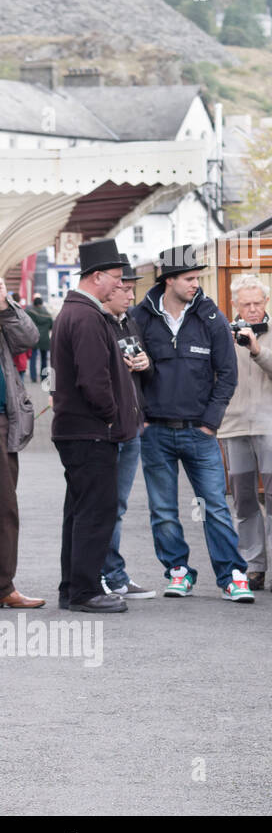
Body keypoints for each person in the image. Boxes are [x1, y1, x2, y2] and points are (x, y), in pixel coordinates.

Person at [130, 245, 252, 603]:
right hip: (155, 431)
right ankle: (178, 572)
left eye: (197, 278)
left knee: (215, 505)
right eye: (189, 278)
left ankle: (232, 576)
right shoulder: (141, 317)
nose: (196, 284)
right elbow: (131, 374)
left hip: (200, 432)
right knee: (163, 509)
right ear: (169, 280)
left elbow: (228, 374)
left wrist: (210, 423)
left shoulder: (210, 316)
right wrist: (142, 420)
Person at [50, 240, 142, 614]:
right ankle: (85, 592)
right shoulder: (87, 317)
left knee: (79, 511)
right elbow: (94, 380)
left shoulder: (75, 313)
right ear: (97, 276)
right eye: (117, 279)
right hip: (91, 431)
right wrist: (111, 416)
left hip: (77, 430)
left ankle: (73, 588)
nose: (120, 286)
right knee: (95, 512)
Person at [218, 274, 272, 594]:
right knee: (244, 500)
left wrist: (257, 349)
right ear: (235, 304)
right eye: (246, 304)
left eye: (257, 303)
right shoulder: (221, 333)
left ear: (267, 302)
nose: (252, 309)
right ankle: (252, 566)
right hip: (234, 426)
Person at [99, 263, 156, 600]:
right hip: (109, 428)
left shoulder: (130, 322)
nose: (131, 295)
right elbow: (57, 371)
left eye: (133, 288)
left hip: (132, 426)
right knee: (105, 505)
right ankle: (106, 575)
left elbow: (143, 375)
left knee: (117, 505)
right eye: (125, 288)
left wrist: (146, 365)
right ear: (108, 288)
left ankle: (114, 574)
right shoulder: (95, 323)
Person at [0, 274, 41, 609]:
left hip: (1, 420)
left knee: (4, 507)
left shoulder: (1, 311)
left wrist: (4, 304)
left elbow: (29, 338)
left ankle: (3, 586)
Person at [23, 295, 52, 384]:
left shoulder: (29, 312)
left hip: (34, 338)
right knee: (44, 359)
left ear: (34, 304)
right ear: (42, 304)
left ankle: (33, 377)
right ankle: (43, 377)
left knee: (33, 358)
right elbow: (51, 326)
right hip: (45, 340)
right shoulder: (48, 314)